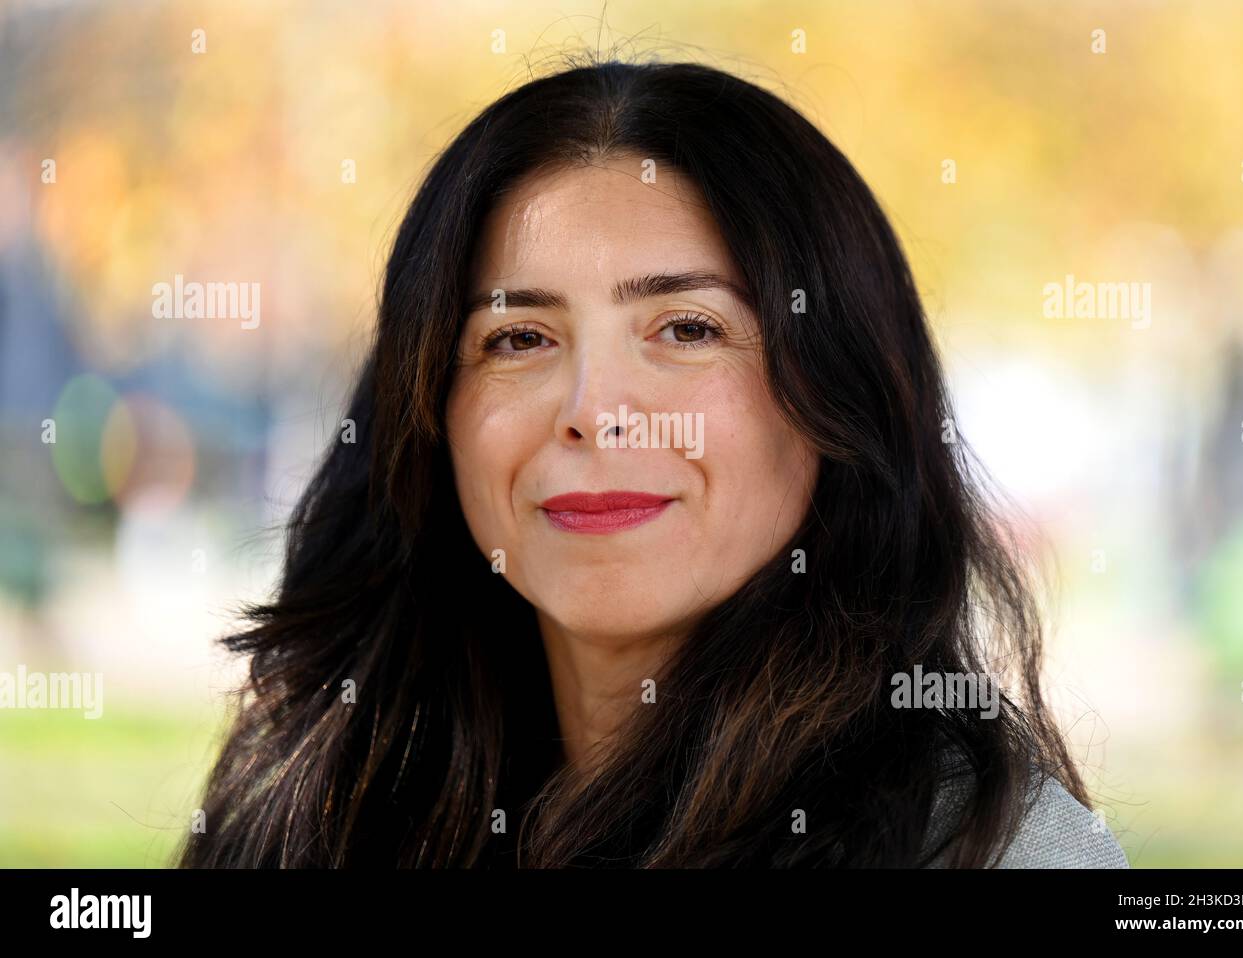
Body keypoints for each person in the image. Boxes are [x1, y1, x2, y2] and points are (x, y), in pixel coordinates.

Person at [178, 56, 1128, 868]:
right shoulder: (324, 805)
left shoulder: (996, 852)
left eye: (686, 327)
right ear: (429, 411)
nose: (595, 412)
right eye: (517, 338)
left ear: (842, 396)